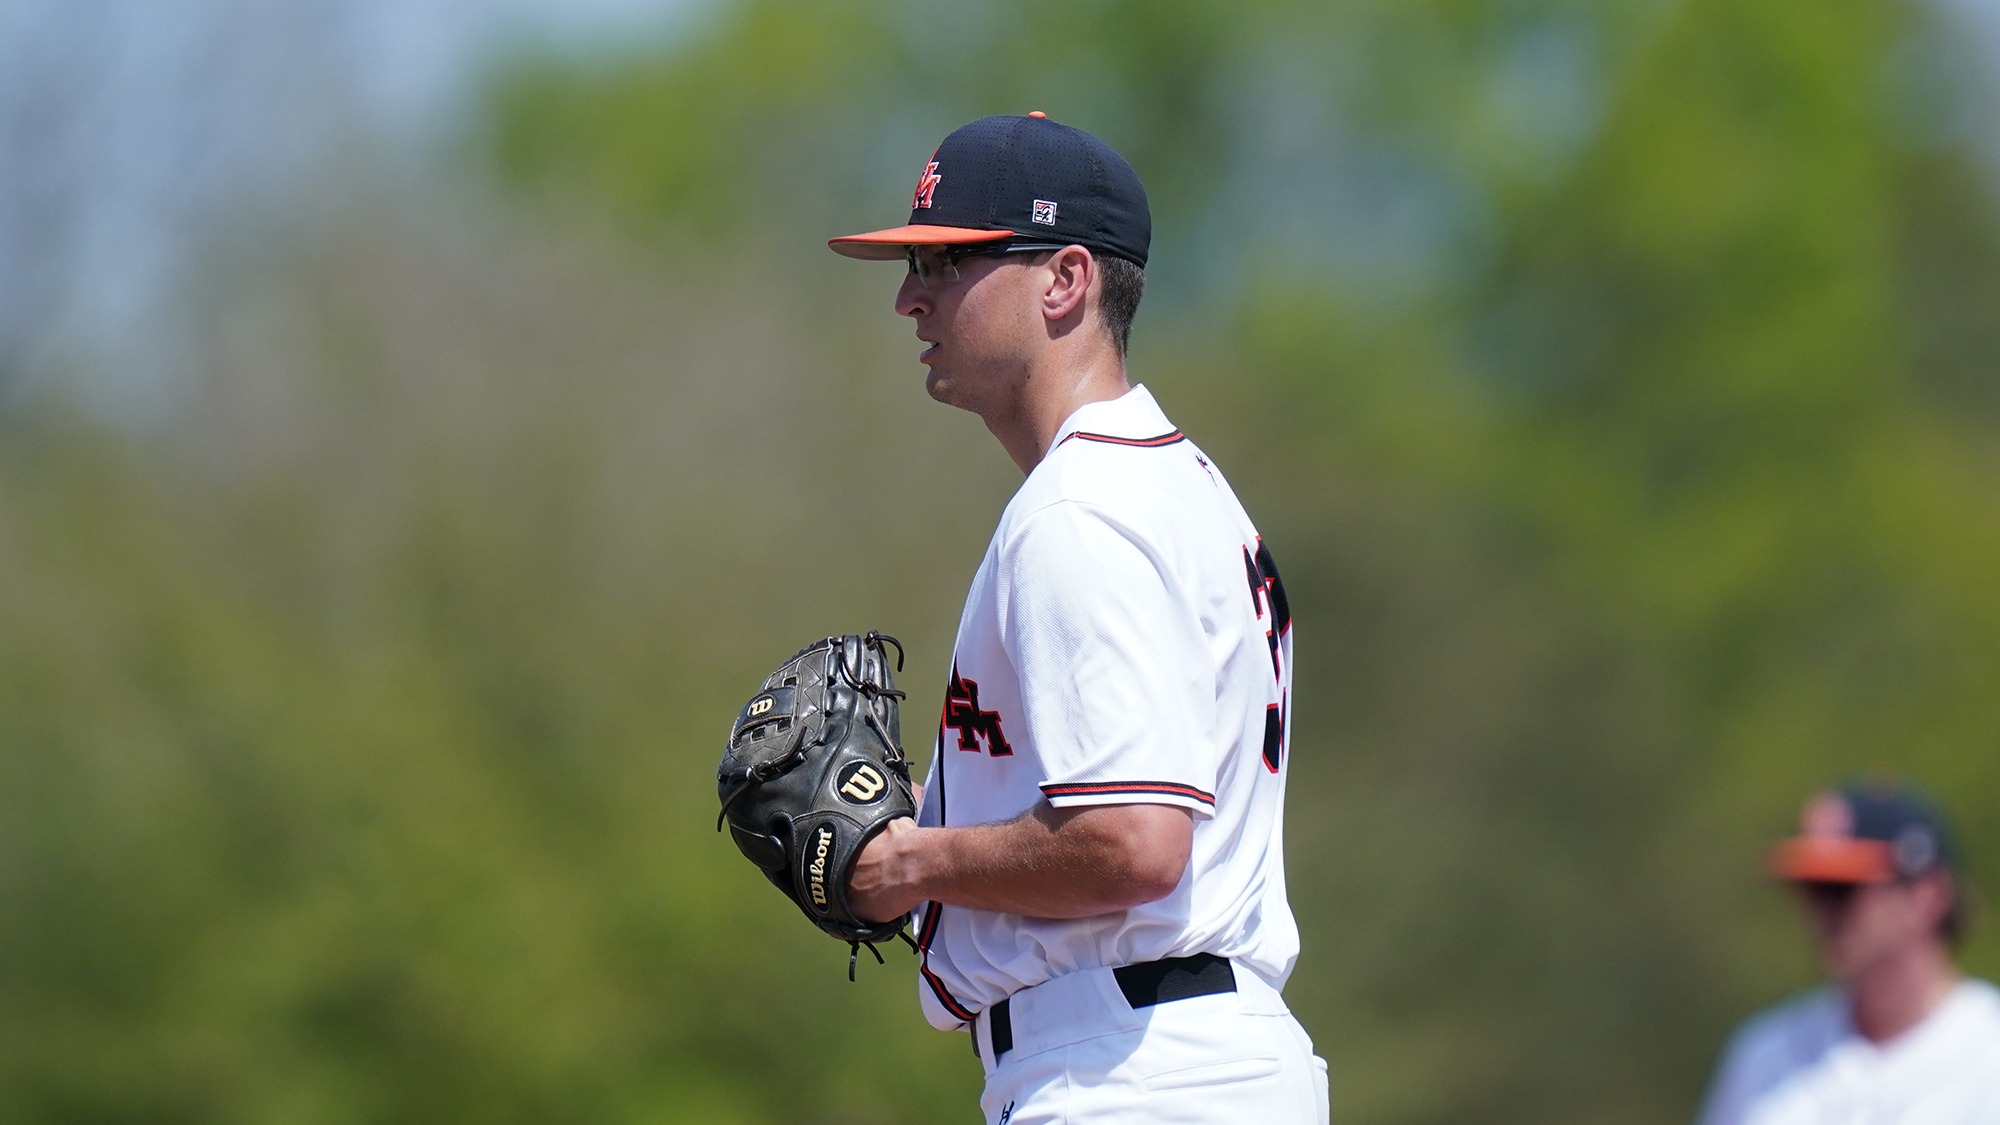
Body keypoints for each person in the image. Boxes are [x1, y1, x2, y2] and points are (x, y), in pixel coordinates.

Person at [827, 112, 1328, 1124]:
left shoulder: (1077, 512)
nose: (906, 296)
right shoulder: (1172, 487)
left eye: (944, 259)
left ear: (1063, 281)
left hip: (1132, 1074)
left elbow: (1131, 843)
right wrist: (934, 807)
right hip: (1174, 1058)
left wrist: (909, 862)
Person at [1698, 780, 2000, 1124]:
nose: (1820, 913)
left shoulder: (1990, 1053)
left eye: (1839, 891)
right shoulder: (1762, 1055)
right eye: (1810, 891)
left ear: (1924, 898)